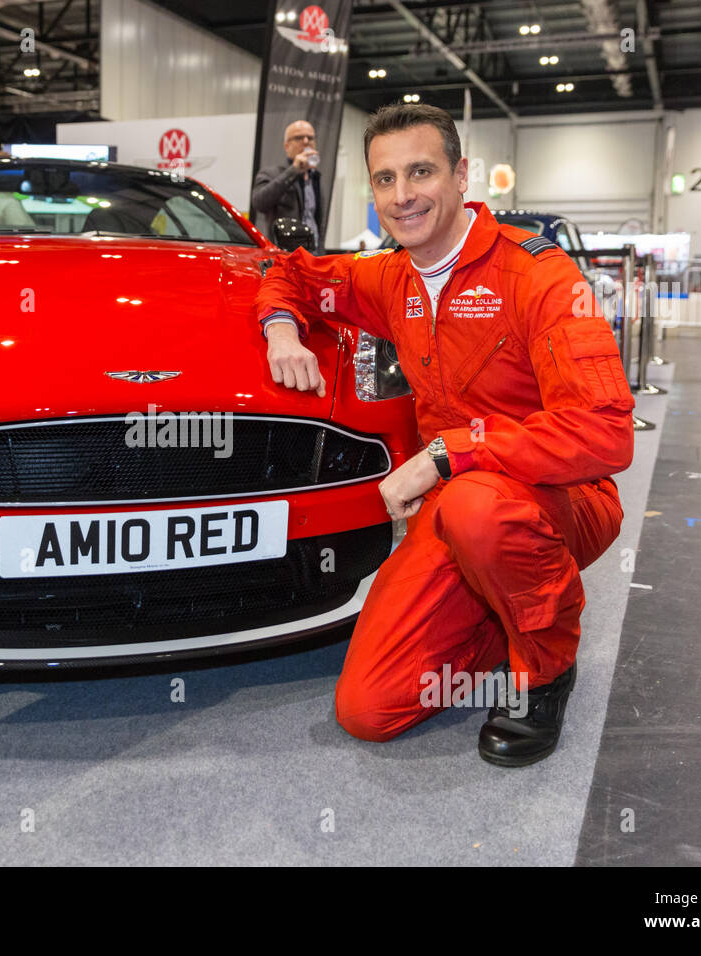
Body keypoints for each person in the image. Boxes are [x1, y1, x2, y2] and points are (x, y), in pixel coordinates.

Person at [255, 104, 634, 767]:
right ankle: (508, 605)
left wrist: (448, 453)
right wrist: (280, 328)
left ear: (462, 176)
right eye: (384, 179)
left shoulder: (538, 276)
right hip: (459, 510)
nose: (401, 197)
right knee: (369, 708)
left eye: (421, 172)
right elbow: (289, 271)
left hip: (565, 500)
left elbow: (603, 434)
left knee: (475, 505)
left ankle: (544, 668)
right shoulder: (388, 277)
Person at [251, 120, 323, 253]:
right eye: (299, 138)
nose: (306, 141)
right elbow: (259, 202)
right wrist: (294, 170)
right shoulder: (271, 173)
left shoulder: (315, 177)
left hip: (313, 253)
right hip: (284, 254)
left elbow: (316, 220)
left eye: (310, 138)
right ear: (287, 146)